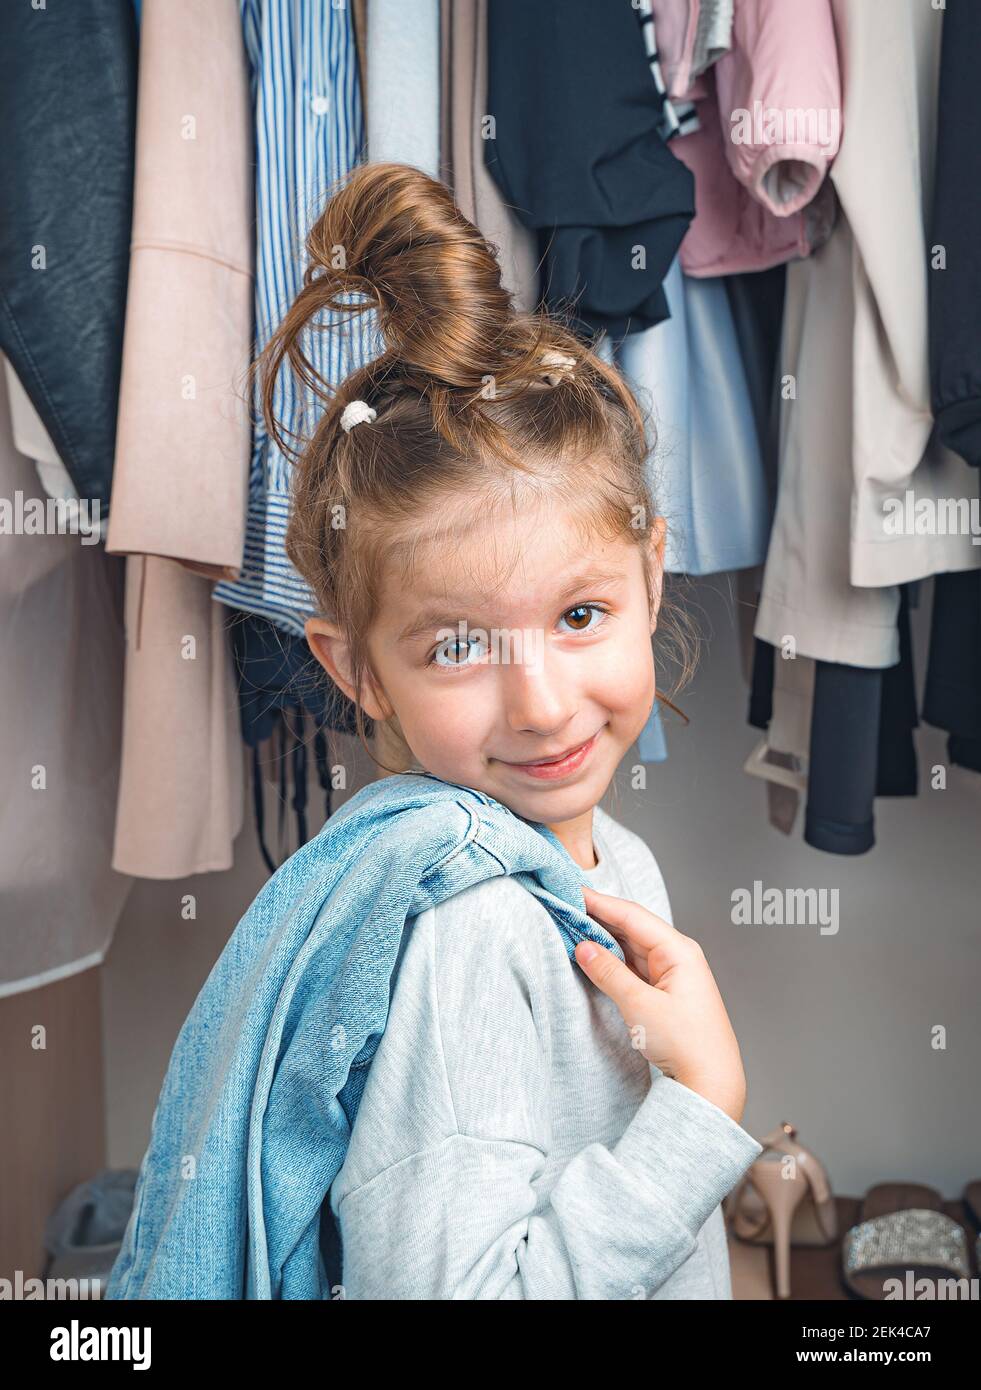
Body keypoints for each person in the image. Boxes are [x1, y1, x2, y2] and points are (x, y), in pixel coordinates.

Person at [254, 161, 762, 1299]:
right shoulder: (471, 932)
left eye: (580, 614)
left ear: (652, 570)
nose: (537, 703)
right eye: (457, 645)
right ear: (357, 670)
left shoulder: (613, 860)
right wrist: (701, 1113)